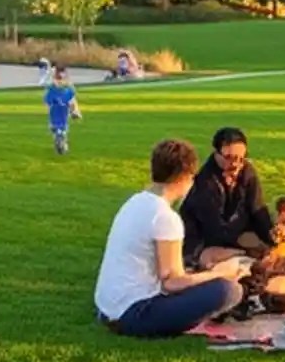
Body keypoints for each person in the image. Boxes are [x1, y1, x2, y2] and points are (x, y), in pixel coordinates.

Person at [94, 139, 249, 337]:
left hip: (109, 305)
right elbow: (172, 282)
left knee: (199, 277)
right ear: (186, 177)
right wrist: (220, 274)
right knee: (229, 290)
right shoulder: (165, 217)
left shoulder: (135, 202)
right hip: (134, 314)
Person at [179, 127, 277, 269]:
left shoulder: (247, 172)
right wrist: (246, 249)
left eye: (241, 158)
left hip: (237, 234)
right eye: (229, 158)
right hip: (206, 241)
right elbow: (215, 229)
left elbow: (257, 209)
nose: (236, 164)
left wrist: (271, 236)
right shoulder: (205, 183)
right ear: (216, 154)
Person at [44, 67, 80, 155]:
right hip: (54, 114)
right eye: (57, 80)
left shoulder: (68, 91)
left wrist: (75, 111)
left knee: (63, 130)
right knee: (56, 129)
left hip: (64, 113)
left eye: (62, 80)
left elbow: (72, 102)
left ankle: (62, 144)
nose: (59, 82)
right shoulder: (51, 91)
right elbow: (48, 104)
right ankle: (59, 142)